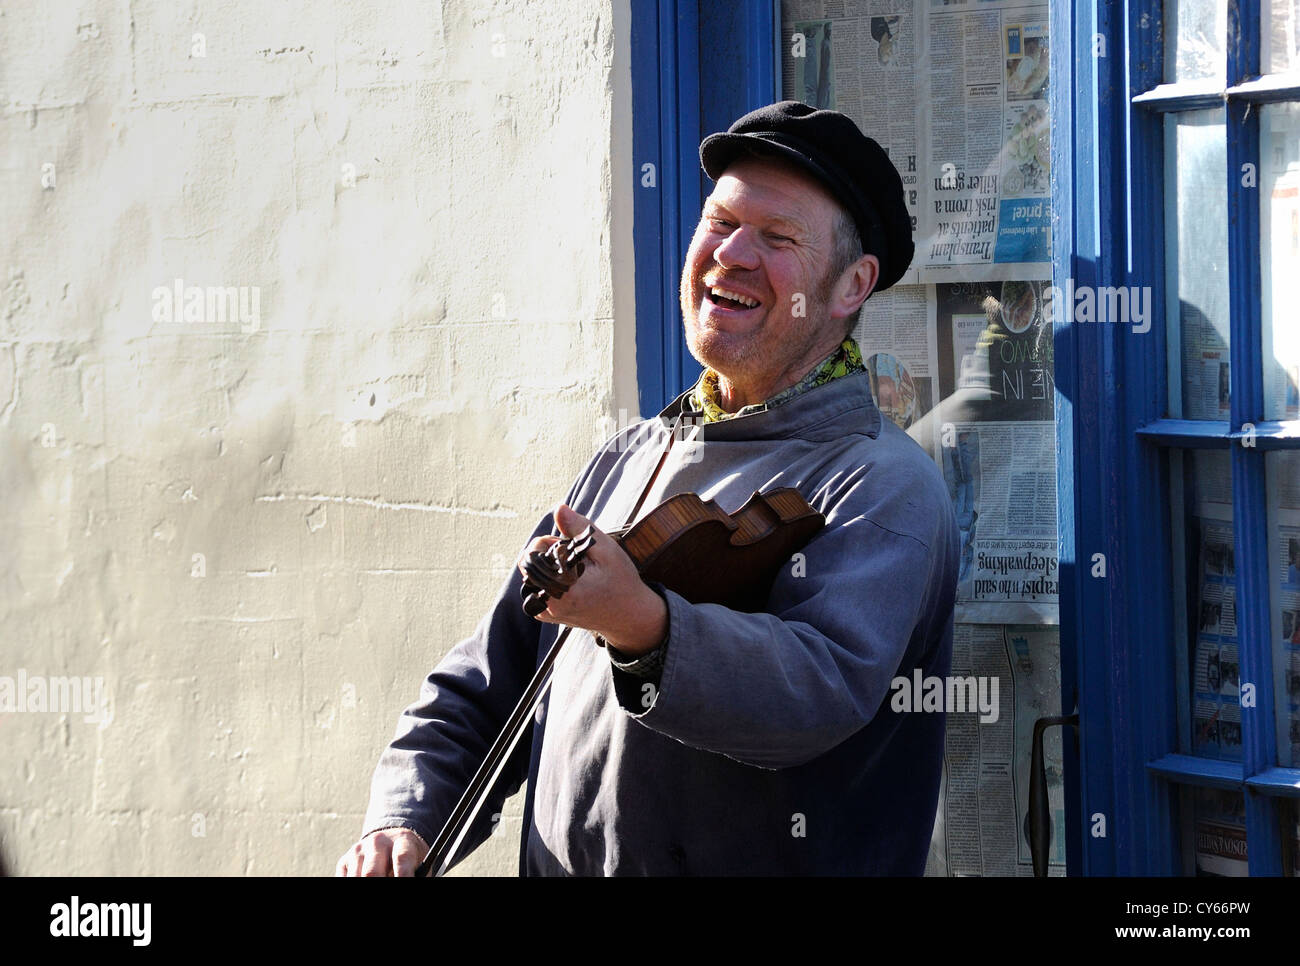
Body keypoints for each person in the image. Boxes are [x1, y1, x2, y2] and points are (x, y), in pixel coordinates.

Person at [337, 101, 959, 876]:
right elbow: (489, 681)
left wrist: (645, 626)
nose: (732, 253)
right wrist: (407, 818)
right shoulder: (632, 454)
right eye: (720, 222)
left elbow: (817, 688)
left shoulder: (884, 483)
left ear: (850, 286)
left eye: (777, 237)